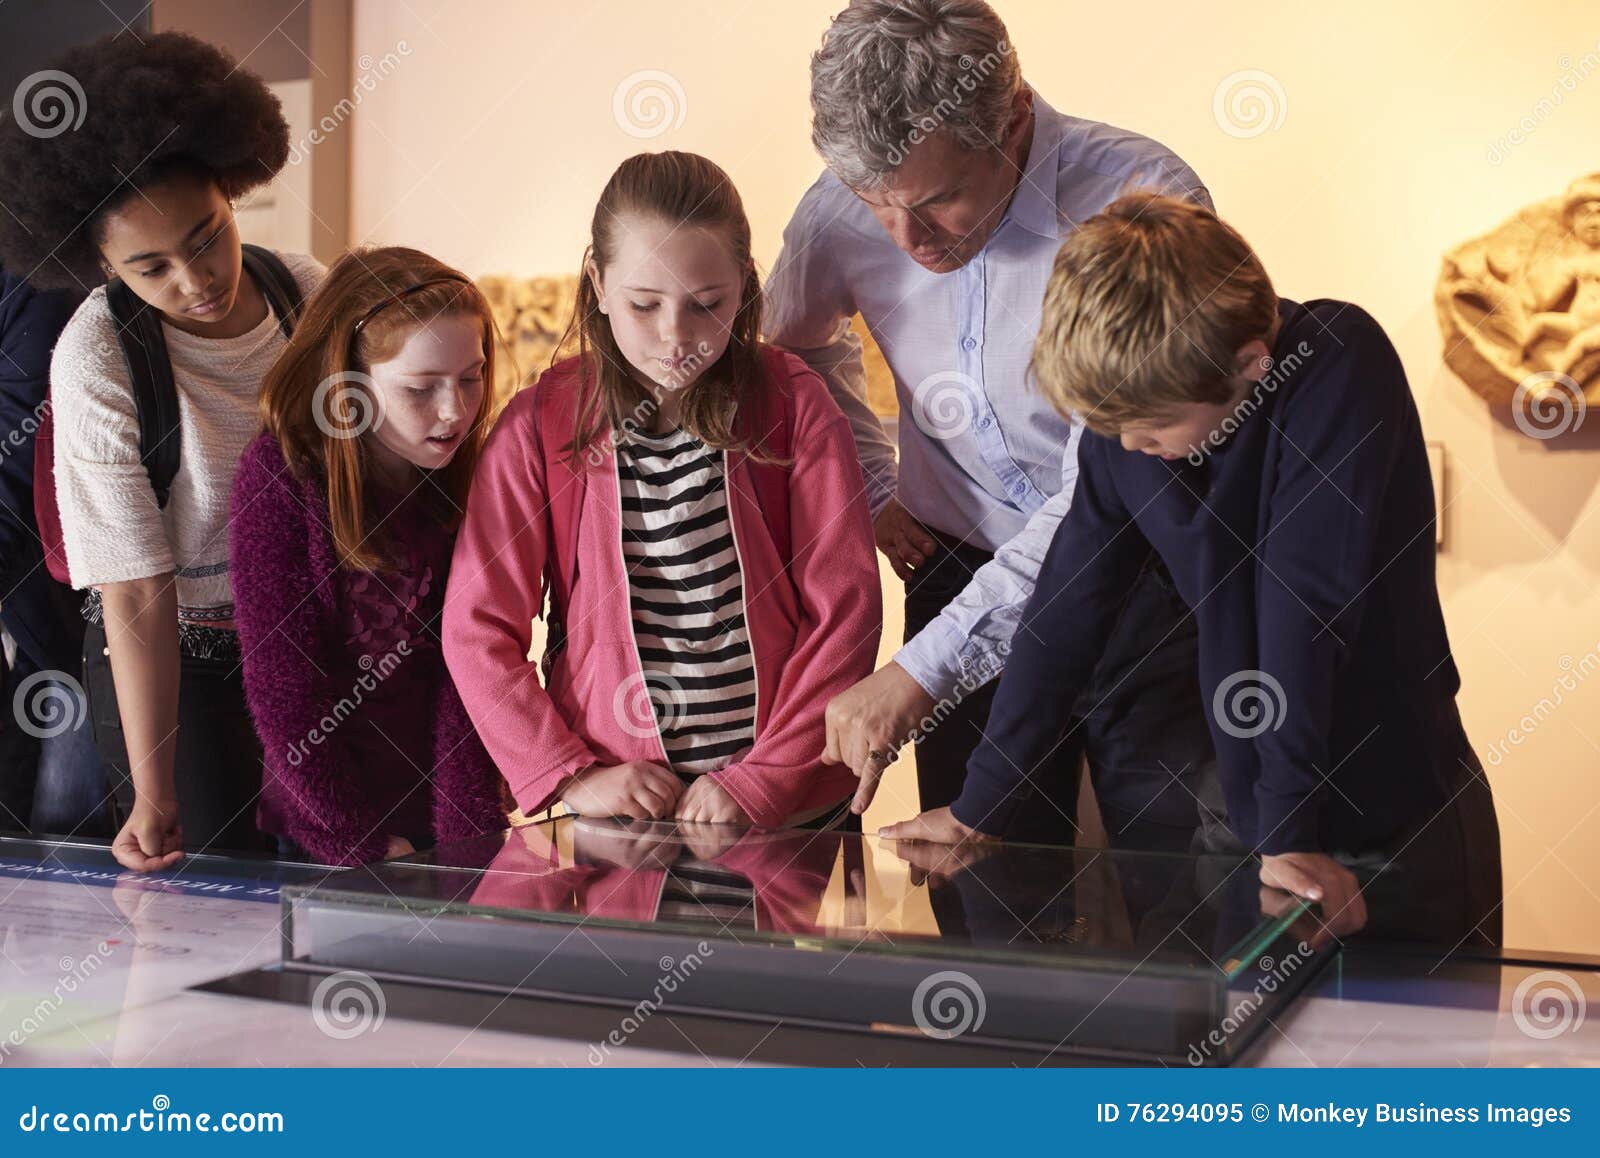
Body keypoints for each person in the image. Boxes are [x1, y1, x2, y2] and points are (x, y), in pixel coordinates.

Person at [882, 193, 1504, 948]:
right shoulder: (1126, 431)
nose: (1132, 446)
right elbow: (1064, 615)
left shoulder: (1340, 362)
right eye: (1115, 429)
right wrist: (979, 804)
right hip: (1247, 805)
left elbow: (1302, 608)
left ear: (1251, 363)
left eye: (1152, 427)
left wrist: (1286, 835)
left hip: (1395, 803)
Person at [767, 0, 1215, 846]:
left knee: (1181, 888)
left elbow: (1105, 488)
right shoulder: (834, 211)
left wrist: (922, 671)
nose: (906, 239)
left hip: (1146, 580)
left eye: (939, 201)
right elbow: (788, 361)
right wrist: (868, 482)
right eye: (875, 205)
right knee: (979, 891)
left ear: (1012, 118)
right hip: (949, 561)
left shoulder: (1143, 199)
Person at [444, 151, 881, 832]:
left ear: (744, 284)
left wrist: (764, 780)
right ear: (596, 281)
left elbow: (845, 612)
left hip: (791, 811)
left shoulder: (794, 401)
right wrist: (572, 773)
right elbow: (476, 629)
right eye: (644, 305)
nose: (676, 337)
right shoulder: (538, 423)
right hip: (622, 813)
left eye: (708, 305)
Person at [0, 32, 327, 870]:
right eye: (151, 268)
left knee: (341, 888)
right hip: (175, 656)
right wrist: (154, 793)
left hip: (310, 637)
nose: (197, 280)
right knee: (216, 889)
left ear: (231, 190)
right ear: (99, 263)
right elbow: (138, 589)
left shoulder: (310, 294)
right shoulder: (97, 355)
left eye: (208, 236)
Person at [230, 247, 508, 866]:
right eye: (420, 388)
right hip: (323, 818)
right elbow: (283, 680)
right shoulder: (282, 476)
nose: (455, 409)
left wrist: (467, 831)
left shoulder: (469, 473)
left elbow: (467, 663)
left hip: (446, 803)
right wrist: (355, 837)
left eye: (472, 376)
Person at [0, 262, 107, 837]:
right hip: (30, 630)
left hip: (68, 628)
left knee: (67, 836)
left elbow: (11, 487)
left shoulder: (39, 290)